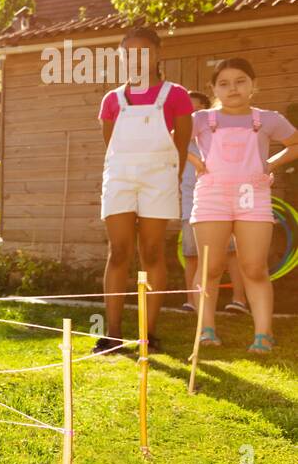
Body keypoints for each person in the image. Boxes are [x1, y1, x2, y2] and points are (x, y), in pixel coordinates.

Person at [188, 58, 298, 353]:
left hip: (254, 196)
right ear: (213, 88)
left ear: (253, 86)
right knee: (211, 267)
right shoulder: (201, 120)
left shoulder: (268, 119)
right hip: (212, 196)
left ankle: (264, 334)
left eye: (240, 81)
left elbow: (295, 143)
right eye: (223, 83)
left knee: (254, 267)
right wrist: (197, 163)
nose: (232, 88)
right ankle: (206, 330)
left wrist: (269, 163)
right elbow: (171, 140)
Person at [97, 27, 193, 355]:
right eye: (129, 54)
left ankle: (148, 334)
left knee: (152, 252)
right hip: (120, 179)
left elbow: (181, 144)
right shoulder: (112, 100)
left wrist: (169, 178)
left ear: (158, 55)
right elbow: (111, 143)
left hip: (159, 181)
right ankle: (112, 335)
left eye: (144, 52)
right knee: (119, 251)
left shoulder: (175, 94)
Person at [180, 90, 248, 316]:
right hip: (191, 202)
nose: (192, 114)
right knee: (191, 254)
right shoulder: (182, 137)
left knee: (230, 252)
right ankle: (192, 300)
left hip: (222, 200)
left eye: (196, 109)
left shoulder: (217, 133)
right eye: (187, 110)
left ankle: (239, 300)